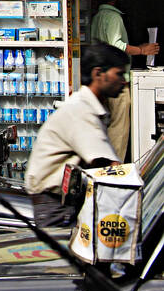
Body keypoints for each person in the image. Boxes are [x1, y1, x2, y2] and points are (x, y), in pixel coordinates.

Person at [25, 42, 127, 228]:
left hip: (63, 203)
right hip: (55, 206)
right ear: (98, 74)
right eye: (119, 73)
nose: (124, 80)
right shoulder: (82, 110)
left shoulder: (95, 108)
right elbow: (105, 164)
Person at [90, 0, 158, 159]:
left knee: (107, 125)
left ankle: (103, 164)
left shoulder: (97, 18)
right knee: (119, 126)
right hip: (115, 80)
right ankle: (113, 168)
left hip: (100, 79)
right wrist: (142, 50)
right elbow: (116, 45)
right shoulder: (112, 17)